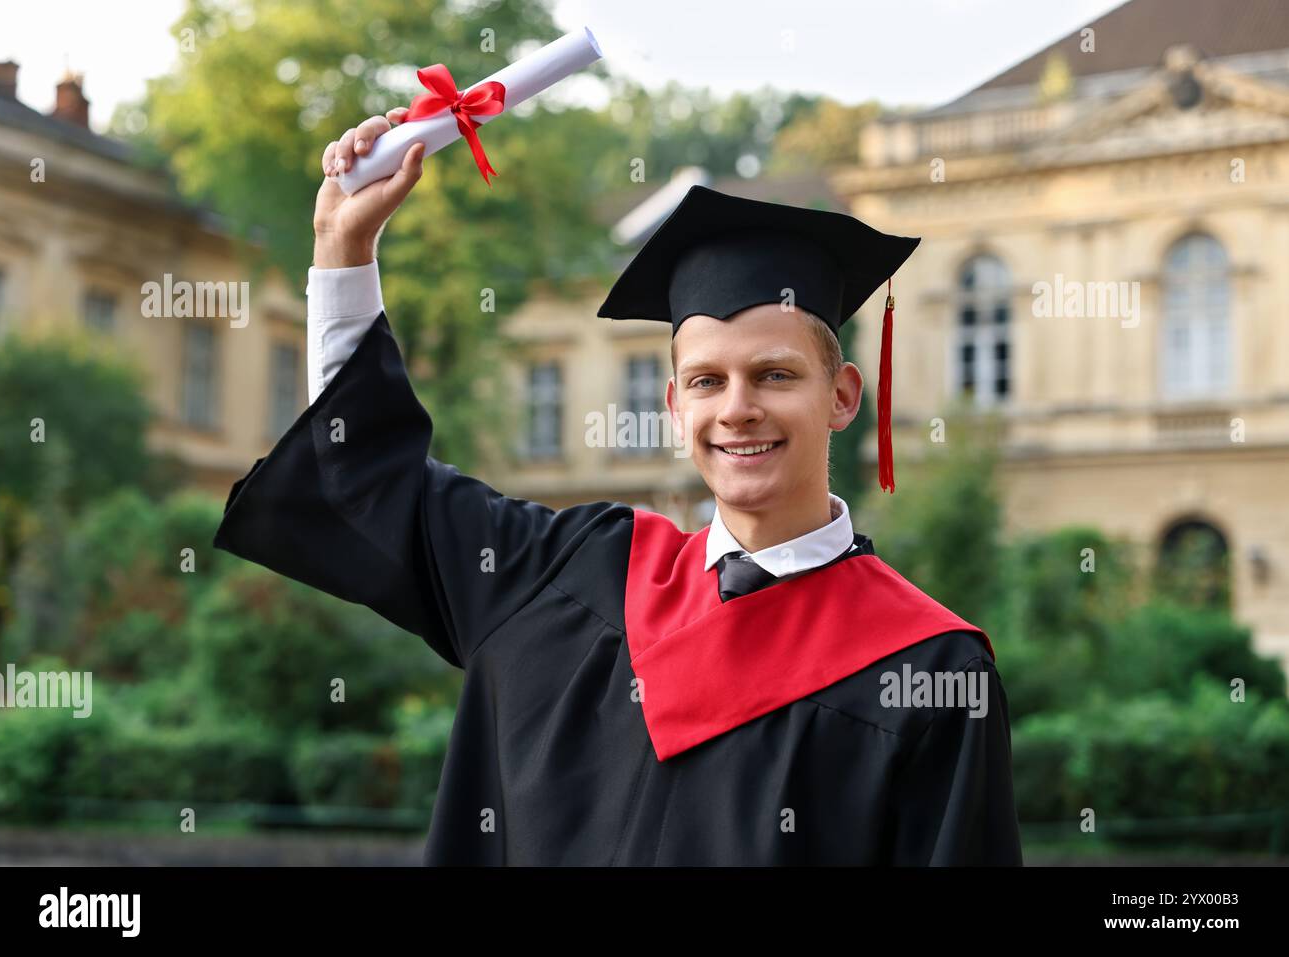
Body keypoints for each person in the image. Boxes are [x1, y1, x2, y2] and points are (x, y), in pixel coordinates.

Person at [213, 109, 1024, 866]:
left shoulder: (927, 669)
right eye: (706, 381)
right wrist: (343, 249)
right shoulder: (572, 571)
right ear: (674, 406)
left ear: (842, 395)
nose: (738, 409)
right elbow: (375, 481)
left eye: (774, 375)